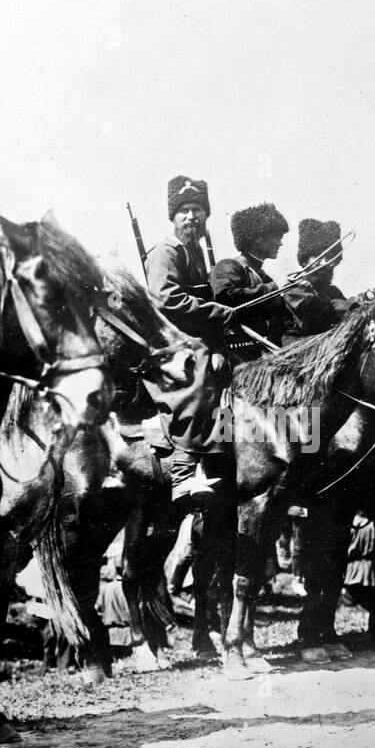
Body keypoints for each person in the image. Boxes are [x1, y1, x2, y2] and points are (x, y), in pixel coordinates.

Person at [144, 175, 234, 503]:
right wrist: (216, 312)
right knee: (201, 369)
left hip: (193, 336)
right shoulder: (167, 251)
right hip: (168, 340)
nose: (191, 217)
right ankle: (183, 468)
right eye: (184, 211)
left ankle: (216, 452)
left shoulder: (197, 254)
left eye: (197, 209)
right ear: (173, 217)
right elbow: (166, 300)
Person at [212, 202, 290, 362]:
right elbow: (226, 298)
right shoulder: (228, 266)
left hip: (267, 353)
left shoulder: (262, 275)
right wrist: (274, 289)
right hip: (242, 358)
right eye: (276, 236)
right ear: (258, 238)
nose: (280, 243)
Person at [281, 218, 347, 346]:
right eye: (317, 256)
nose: (324, 263)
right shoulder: (293, 290)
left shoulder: (333, 292)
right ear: (305, 260)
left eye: (329, 257)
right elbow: (320, 313)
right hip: (299, 351)